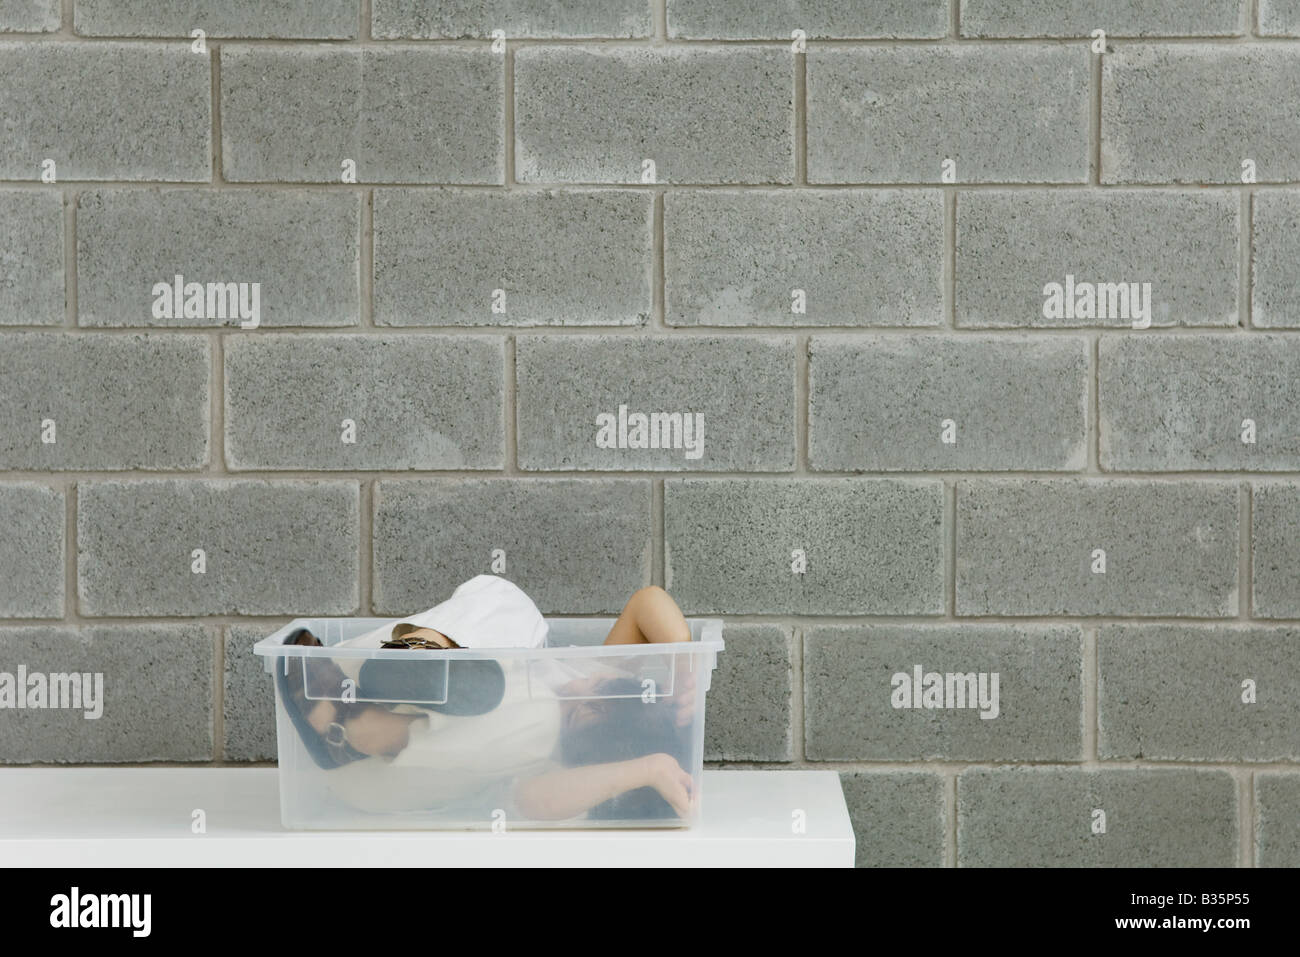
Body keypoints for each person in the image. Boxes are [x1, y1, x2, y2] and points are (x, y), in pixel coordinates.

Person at [278, 576, 699, 822]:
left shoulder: (558, 768)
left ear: (591, 719)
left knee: (537, 713)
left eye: (591, 697)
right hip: (345, 674)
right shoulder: (591, 680)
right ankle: (432, 652)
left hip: (369, 770)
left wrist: (650, 768)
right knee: (518, 610)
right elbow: (648, 602)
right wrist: (683, 665)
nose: (585, 681)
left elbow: (534, 802)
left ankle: (371, 729)